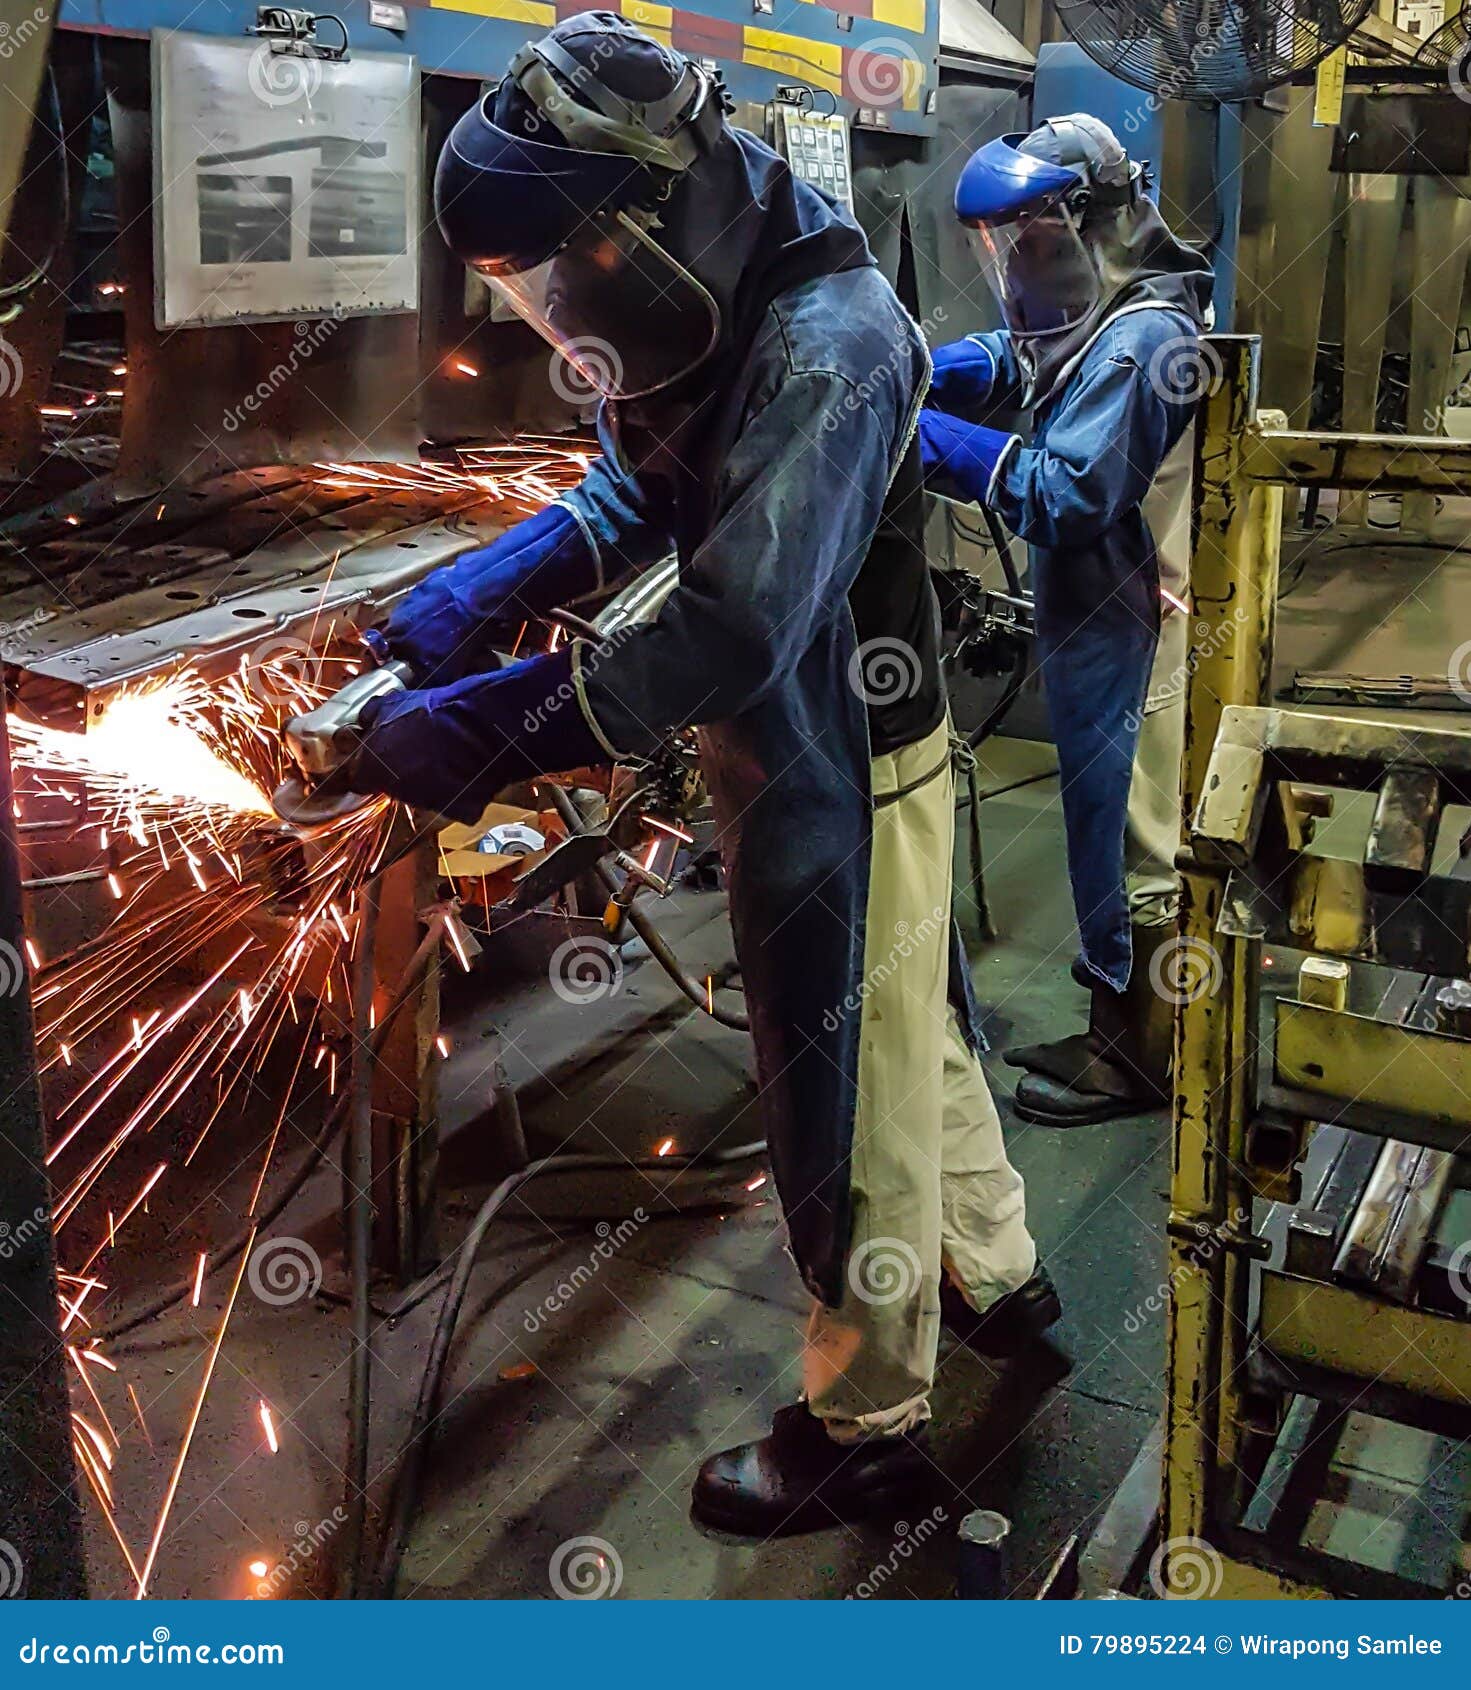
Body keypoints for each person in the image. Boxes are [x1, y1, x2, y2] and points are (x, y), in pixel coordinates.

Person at [291, 13, 1058, 1536]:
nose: (533, 308)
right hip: (795, 744)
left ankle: (867, 1422)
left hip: (840, 753)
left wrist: (490, 724)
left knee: (841, 1097)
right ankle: (1005, 1277)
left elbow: (729, 630)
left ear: (626, 218)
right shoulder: (712, 276)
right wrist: (487, 588)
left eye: (539, 273)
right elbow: (643, 475)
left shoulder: (831, 339)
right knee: (919, 1038)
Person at [918, 115, 1213, 1128]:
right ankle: (1108, 1029)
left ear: (1092, 228)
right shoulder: (1110, 310)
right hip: (1100, 617)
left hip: (1141, 627)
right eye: (1000, 246)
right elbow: (1032, 357)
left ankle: (1142, 1058)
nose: (1013, 266)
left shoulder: (1147, 339)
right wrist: (926, 365)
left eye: (1029, 242)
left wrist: (925, 435)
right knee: (1101, 824)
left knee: (1136, 837)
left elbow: (1072, 491)